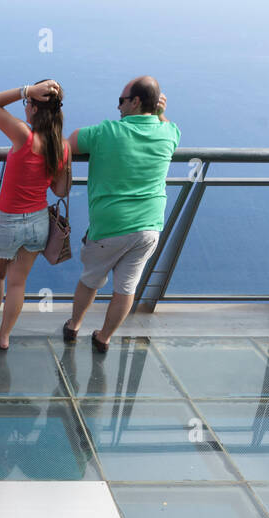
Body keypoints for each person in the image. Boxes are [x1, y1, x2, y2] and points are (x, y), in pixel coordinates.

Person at [62, 77, 178, 352]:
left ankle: (74, 326)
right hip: (149, 227)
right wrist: (160, 114)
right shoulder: (169, 132)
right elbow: (168, 126)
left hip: (110, 226)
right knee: (126, 287)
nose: (118, 107)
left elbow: (71, 142)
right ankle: (104, 338)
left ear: (136, 102)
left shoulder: (107, 132)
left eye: (122, 100)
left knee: (90, 280)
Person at [0, 79, 71, 350]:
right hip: (38, 222)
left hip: (8, 219)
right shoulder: (62, 146)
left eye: (27, 103)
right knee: (18, 283)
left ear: (33, 108)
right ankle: (5, 336)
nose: (25, 107)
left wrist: (25, 90)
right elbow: (59, 189)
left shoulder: (23, 135)